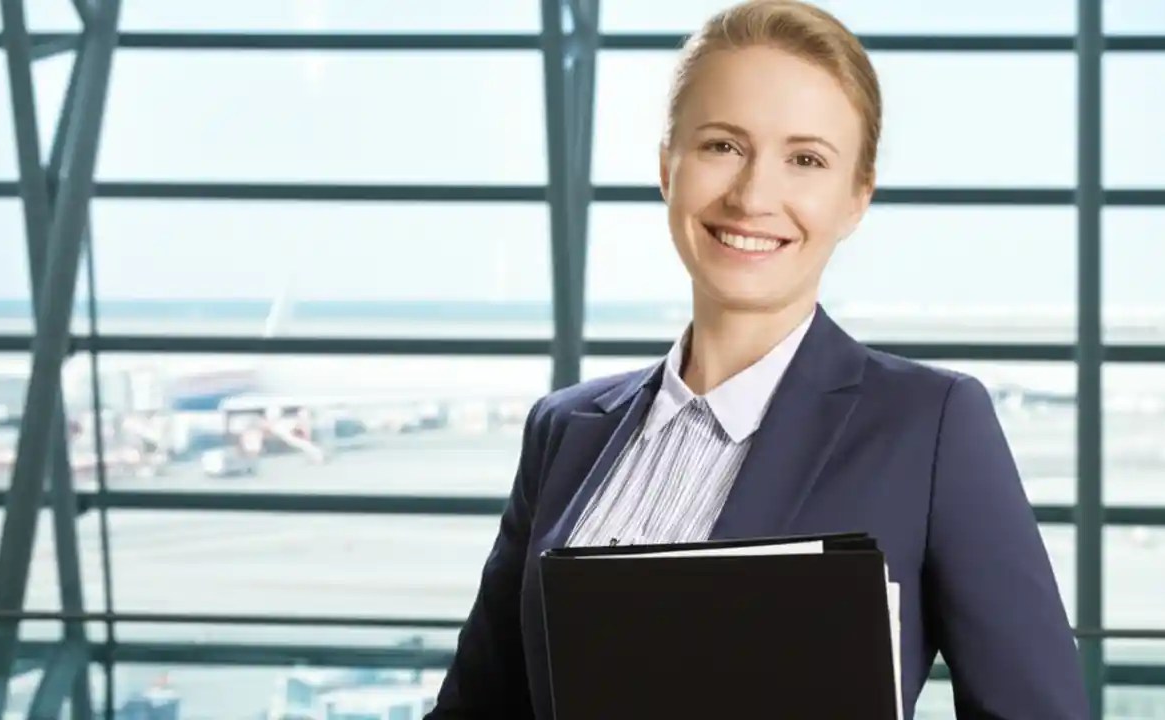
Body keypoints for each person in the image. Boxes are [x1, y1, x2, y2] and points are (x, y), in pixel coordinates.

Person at [425, 1, 1088, 718]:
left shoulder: (930, 428)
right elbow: (477, 708)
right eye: (721, 147)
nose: (752, 196)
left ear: (856, 197)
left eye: (805, 160)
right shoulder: (565, 429)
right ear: (665, 168)